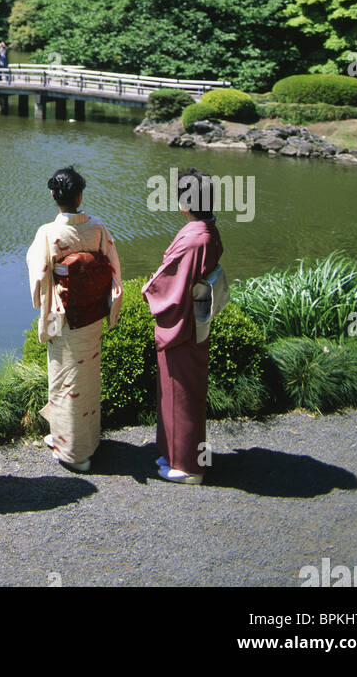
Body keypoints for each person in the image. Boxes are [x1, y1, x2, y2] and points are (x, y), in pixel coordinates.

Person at [25, 166, 122, 472]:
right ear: (80, 195)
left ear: (53, 196)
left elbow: (38, 277)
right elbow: (113, 268)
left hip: (63, 317)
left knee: (65, 378)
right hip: (92, 315)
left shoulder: (48, 233)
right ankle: (84, 439)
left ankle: (74, 454)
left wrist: (42, 299)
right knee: (87, 377)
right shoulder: (98, 228)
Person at [142, 168, 223, 485]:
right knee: (181, 391)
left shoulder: (193, 238)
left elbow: (170, 282)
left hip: (184, 326)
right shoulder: (207, 229)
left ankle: (189, 466)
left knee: (181, 393)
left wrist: (150, 287)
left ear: (186, 203)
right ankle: (176, 454)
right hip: (194, 321)